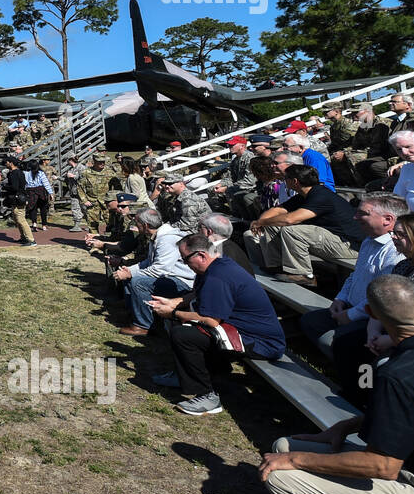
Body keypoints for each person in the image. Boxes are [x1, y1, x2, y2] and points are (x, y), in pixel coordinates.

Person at [261, 275, 414, 494]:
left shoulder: (398, 372)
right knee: (285, 445)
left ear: (371, 314)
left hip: (404, 476)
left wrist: (298, 460)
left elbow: (383, 466)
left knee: (283, 477)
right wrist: (347, 426)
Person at [147, 232, 286, 416]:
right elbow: (196, 297)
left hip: (260, 341)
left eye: (185, 260)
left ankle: (207, 396)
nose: (185, 264)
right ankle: (187, 375)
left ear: (202, 256)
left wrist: (172, 313)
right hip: (238, 330)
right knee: (181, 325)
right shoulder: (215, 267)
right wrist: (173, 304)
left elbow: (211, 320)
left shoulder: (218, 276)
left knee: (184, 335)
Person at [300, 194, 405, 408]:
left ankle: (362, 390)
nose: (355, 217)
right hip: (354, 308)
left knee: (347, 343)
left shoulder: (395, 252)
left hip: (372, 317)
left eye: (362, 213)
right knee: (311, 321)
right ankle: (347, 372)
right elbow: (355, 275)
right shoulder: (369, 241)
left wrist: (351, 315)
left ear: (387, 220)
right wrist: (340, 299)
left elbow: (383, 295)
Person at [244, 164, 363, 286]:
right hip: (333, 239)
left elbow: (290, 220)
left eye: (286, 178)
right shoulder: (304, 195)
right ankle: (277, 266)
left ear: (295, 181)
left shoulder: (321, 196)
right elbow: (278, 210)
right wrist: (261, 222)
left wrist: (261, 222)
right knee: (272, 224)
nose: (284, 181)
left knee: (292, 231)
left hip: (348, 245)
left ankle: (304, 275)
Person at [109, 208, 193, 337]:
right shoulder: (158, 236)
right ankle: (132, 312)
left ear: (146, 225)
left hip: (182, 282)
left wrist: (131, 274)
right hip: (171, 277)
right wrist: (129, 270)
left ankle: (143, 325)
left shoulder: (167, 239)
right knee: (131, 276)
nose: (135, 226)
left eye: (137, 223)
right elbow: (149, 262)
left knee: (138, 282)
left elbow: (160, 269)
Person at [2, 156, 35, 246]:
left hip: (18, 198)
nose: (5, 164)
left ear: (11, 163)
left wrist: (5, 186)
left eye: (6, 162)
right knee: (17, 219)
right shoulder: (17, 172)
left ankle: (31, 240)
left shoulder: (15, 173)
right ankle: (24, 237)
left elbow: (14, 187)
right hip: (17, 198)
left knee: (21, 219)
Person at [24, 160, 53, 231]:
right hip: (40, 191)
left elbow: (25, 184)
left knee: (33, 208)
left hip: (30, 191)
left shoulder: (26, 173)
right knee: (43, 208)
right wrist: (50, 193)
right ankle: (44, 225)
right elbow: (46, 183)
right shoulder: (41, 173)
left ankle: (34, 224)